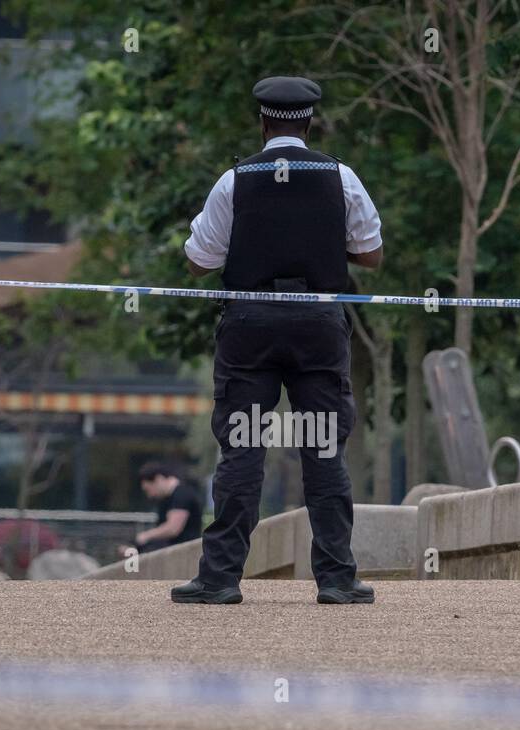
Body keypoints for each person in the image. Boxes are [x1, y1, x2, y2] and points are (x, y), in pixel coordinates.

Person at [171, 75, 383, 605]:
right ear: (310, 122)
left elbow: (198, 261)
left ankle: (220, 580)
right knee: (324, 448)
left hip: (251, 327)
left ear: (262, 121)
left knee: (242, 448)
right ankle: (336, 579)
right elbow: (373, 253)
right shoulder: (341, 176)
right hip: (318, 324)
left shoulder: (234, 180)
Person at [133, 462, 203, 553]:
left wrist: (146, 536)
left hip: (183, 552)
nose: (150, 495)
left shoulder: (182, 495)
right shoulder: (164, 500)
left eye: (148, 489)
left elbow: (172, 529)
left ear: (158, 479)